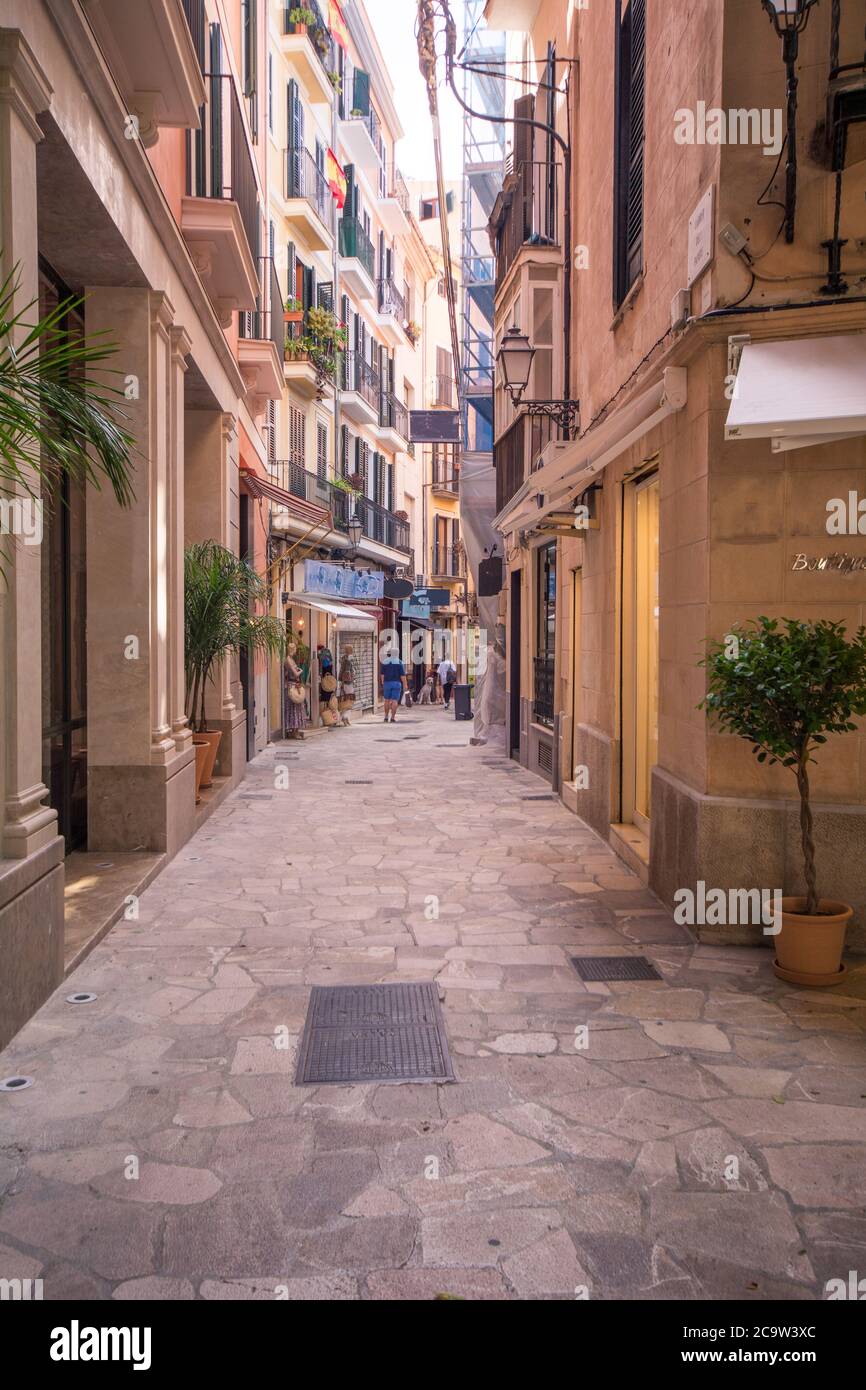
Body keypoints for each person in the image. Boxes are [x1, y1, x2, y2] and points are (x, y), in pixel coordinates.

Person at [284, 641, 307, 740]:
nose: (296, 651)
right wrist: (301, 670)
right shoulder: (288, 660)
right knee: (294, 708)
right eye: (295, 649)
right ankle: (294, 731)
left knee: (297, 707)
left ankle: (295, 730)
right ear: (292, 649)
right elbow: (296, 673)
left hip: (294, 684)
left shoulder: (291, 660)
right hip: (292, 685)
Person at [380, 651, 407, 723]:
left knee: (386, 700)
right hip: (396, 683)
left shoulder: (385, 662)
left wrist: (383, 683)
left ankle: (386, 717)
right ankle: (392, 718)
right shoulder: (399, 662)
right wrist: (405, 685)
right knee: (395, 701)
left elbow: (382, 674)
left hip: (387, 683)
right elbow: (403, 676)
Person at [338, 645, 356, 726]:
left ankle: (345, 718)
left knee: (346, 700)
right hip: (348, 683)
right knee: (349, 700)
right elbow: (347, 672)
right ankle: (345, 718)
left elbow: (342, 671)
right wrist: (351, 679)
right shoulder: (348, 660)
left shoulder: (344, 658)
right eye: (352, 649)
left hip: (345, 682)